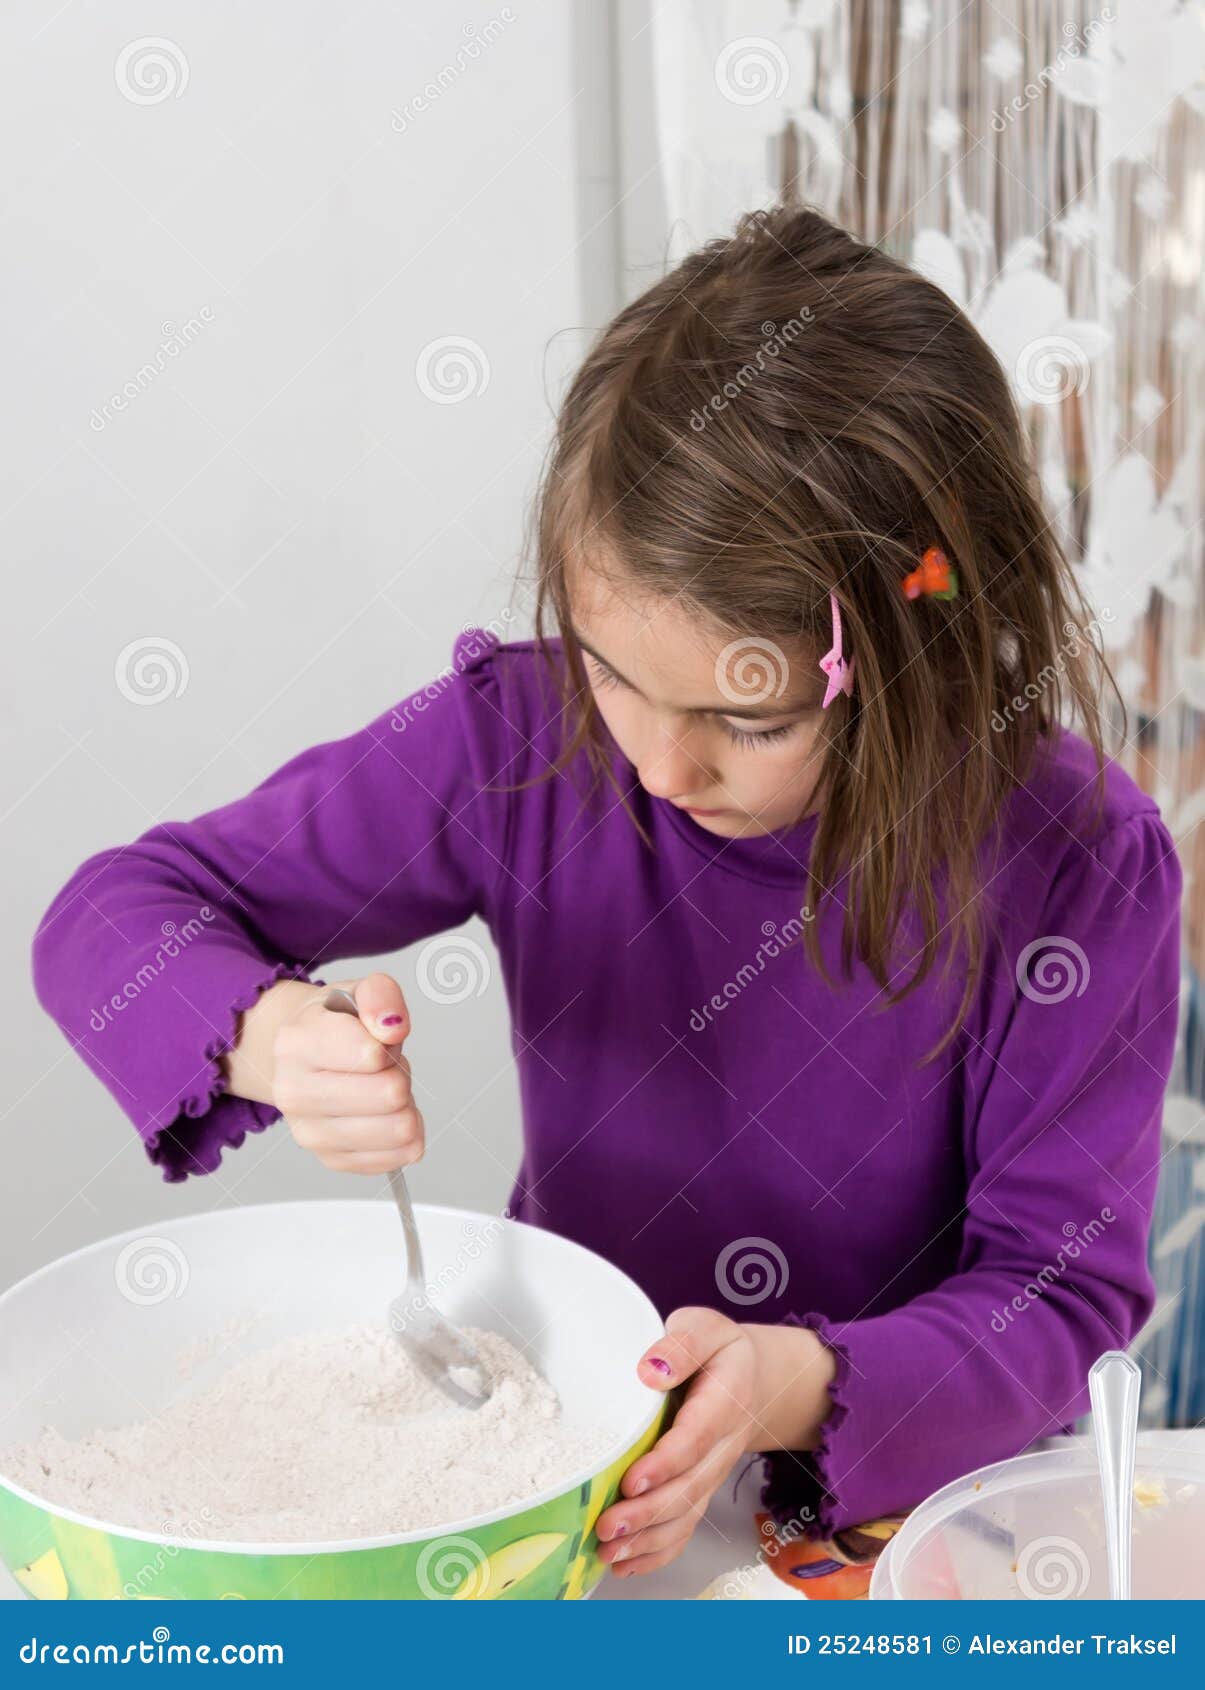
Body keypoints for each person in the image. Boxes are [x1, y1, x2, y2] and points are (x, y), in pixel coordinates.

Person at [32, 204, 1182, 1580]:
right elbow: (115, 913)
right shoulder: (517, 740)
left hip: (912, 1506)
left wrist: (789, 1376)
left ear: (914, 654)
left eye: (743, 719)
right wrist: (268, 1035)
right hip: (577, 1482)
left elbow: (1062, 1300)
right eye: (614, 670)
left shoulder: (1075, 859)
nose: (658, 756)